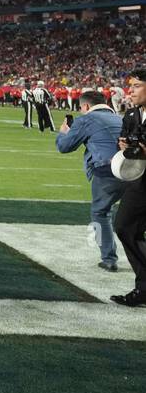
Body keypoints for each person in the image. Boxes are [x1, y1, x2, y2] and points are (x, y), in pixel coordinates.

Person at [56, 89, 127, 272]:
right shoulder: (121, 118)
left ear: (86, 106)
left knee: (100, 213)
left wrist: (63, 132)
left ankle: (109, 259)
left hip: (107, 171)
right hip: (135, 170)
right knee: (134, 218)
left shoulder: (86, 119)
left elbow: (65, 147)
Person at [111, 70, 146, 306]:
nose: (130, 90)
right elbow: (126, 140)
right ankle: (143, 287)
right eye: (130, 86)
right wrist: (124, 145)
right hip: (140, 180)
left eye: (136, 86)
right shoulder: (132, 113)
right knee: (124, 227)